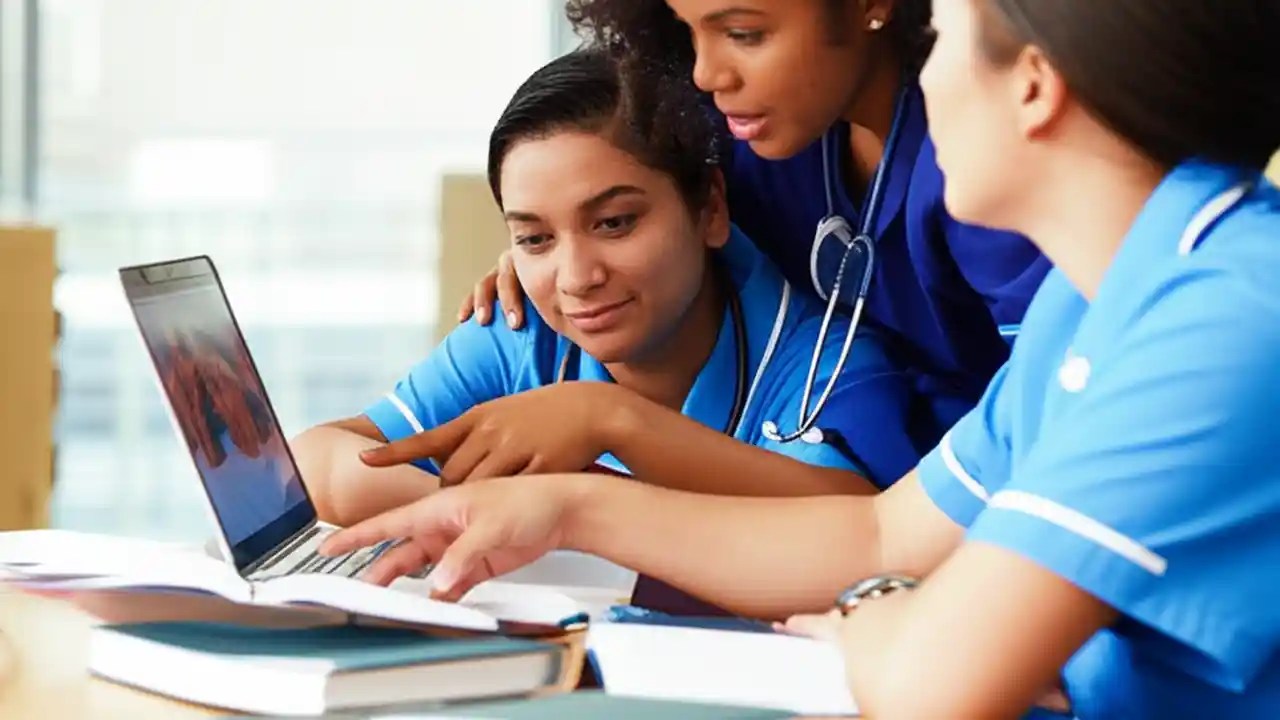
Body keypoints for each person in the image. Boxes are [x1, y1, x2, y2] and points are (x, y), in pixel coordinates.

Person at [322, 0, 1280, 716]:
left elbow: (929, 684)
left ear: (1033, 83)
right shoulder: (1099, 294)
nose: (921, 71)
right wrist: (565, 505)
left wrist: (889, 626)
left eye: (941, 35)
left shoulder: (1229, 313)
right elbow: (880, 542)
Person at [293, 47, 918, 582]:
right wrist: (510, 515)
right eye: (535, 239)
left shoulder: (826, 366)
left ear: (710, 210)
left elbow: (863, 538)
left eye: (615, 223)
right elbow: (317, 465)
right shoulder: (522, 337)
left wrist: (612, 425)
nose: (577, 278)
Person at [452, 0, 1050, 458]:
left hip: (978, 514)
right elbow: (650, 213)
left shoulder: (991, 167)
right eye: (686, 31)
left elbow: (1066, 422)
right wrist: (548, 250)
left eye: (744, 34)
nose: (707, 73)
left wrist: (610, 421)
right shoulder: (743, 133)